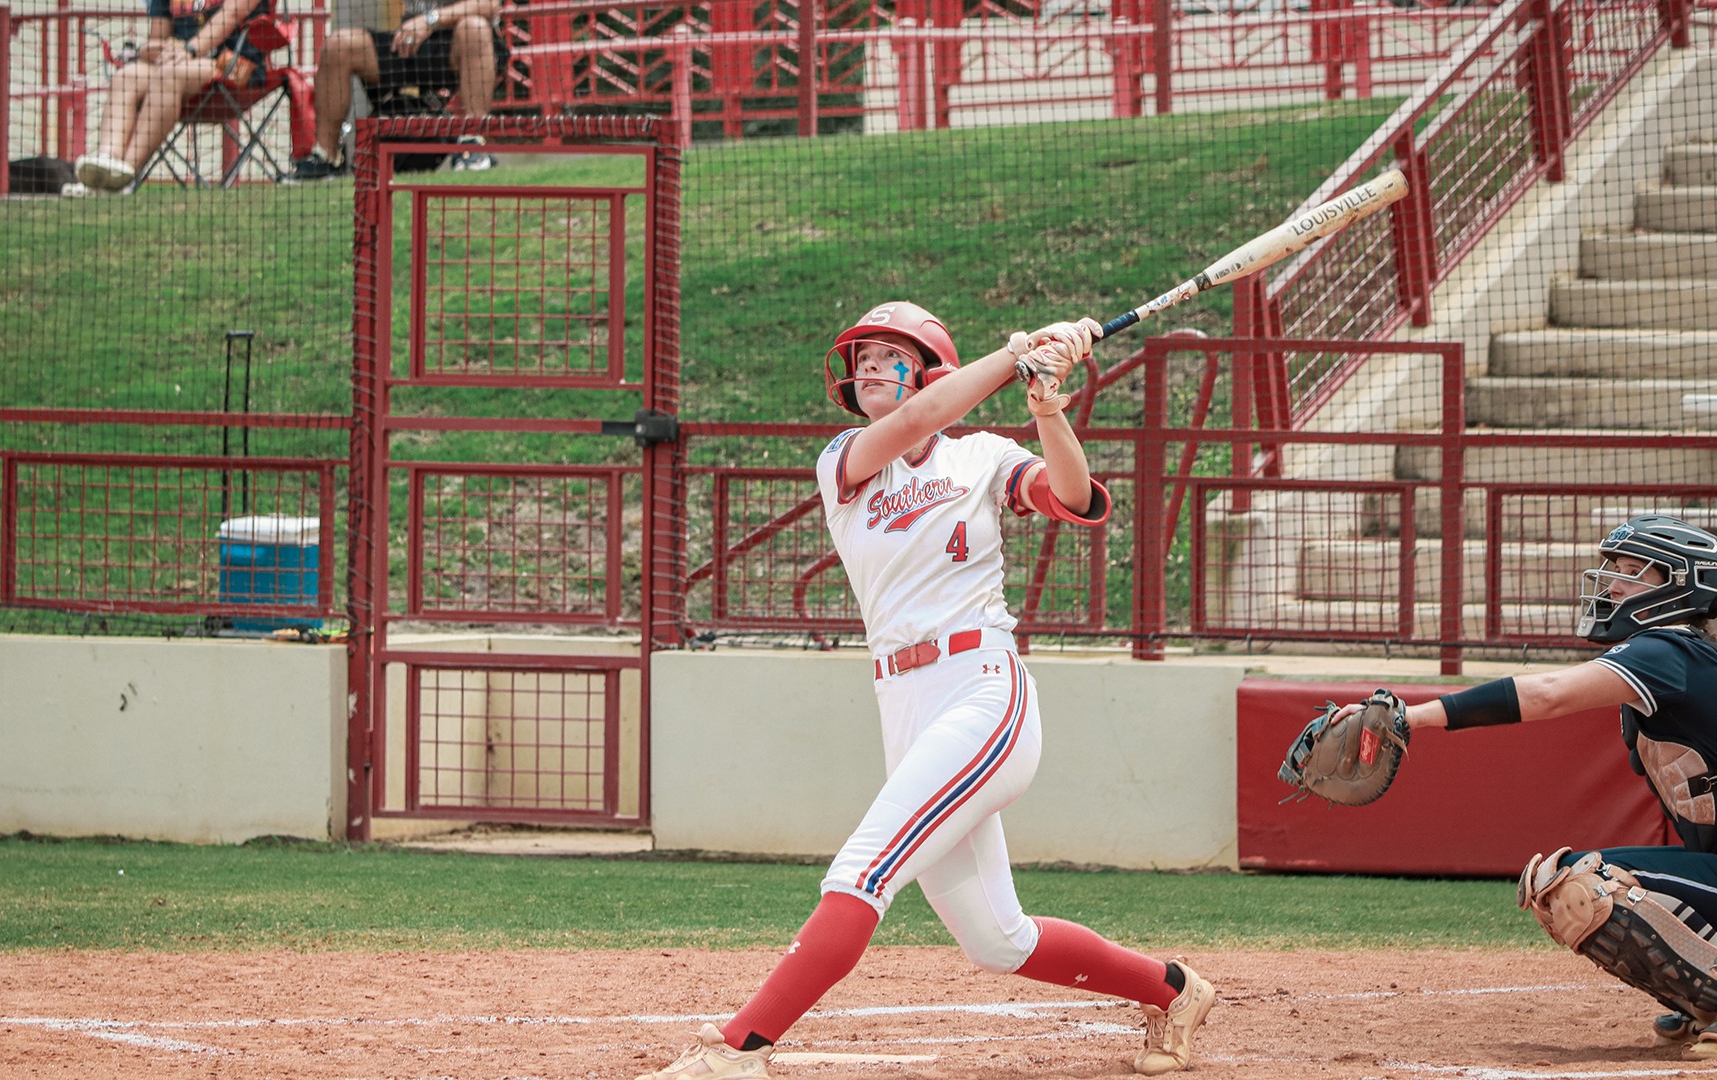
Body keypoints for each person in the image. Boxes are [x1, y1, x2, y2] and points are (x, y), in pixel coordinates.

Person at [634, 302, 1217, 1080]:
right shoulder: (844, 460)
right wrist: (1017, 354)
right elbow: (919, 419)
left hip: (981, 690)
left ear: (932, 367)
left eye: (890, 354)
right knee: (997, 939)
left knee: (863, 871)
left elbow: (1073, 496)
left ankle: (740, 1048)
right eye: (863, 357)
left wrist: (1047, 409)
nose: (870, 365)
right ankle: (1175, 991)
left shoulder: (982, 455)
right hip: (903, 702)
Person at [1332, 514, 1717, 1056]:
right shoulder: (1681, 656)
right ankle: (1702, 1000)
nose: (1612, 584)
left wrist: (1409, 717)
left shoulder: (1668, 652)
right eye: (1614, 569)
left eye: (1633, 572)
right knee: (1561, 881)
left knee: (1583, 885)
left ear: (1679, 586)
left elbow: (1548, 693)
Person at [289, 0, 506, 179]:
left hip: (454, 41)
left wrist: (430, 20)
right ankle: (326, 158)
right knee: (338, 45)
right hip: (407, 40)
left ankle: (472, 145)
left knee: (475, 28)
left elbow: (489, 5)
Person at [73, 0, 271, 193]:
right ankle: (108, 161)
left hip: (238, 69)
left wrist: (189, 50)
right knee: (127, 77)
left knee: (169, 74)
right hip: (181, 68)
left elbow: (232, 14)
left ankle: (125, 174)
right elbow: (159, 37)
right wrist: (152, 50)